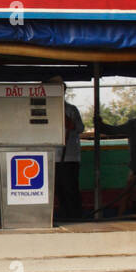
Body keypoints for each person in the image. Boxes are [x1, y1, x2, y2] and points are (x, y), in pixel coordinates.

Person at [49, 78, 84, 221]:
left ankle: (75, 216)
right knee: (58, 189)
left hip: (69, 156)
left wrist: (69, 123)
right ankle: (64, 215)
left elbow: (80, 128)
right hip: (52, 156)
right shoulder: (47, 108)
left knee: (70, 188)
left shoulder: (70, 109)